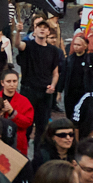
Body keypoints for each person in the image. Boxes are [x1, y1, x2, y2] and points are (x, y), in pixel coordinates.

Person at [16, 21, 63, 156]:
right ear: (34, 31)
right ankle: (21, 156)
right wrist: (18, 31)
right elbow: (17, 44)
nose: (42, 30)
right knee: (26, 126)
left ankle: (37, 158)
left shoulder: (54, 51)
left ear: (48, 32)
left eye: (45, 28)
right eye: (39, 27)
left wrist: (53, 86)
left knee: (42, 128)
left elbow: (55, 73)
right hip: (28, 91)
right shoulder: (28, 46)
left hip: (45, 93)